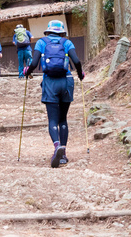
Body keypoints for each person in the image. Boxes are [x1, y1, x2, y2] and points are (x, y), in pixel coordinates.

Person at [23, 19, 84, 168]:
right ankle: (63, 154)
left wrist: (27, 72)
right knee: (63, 119)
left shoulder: (41, 42)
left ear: (48, 30)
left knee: (52, 120)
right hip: (66, 81)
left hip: (50, 82)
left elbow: (34, 62)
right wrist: (80, 74)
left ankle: (56, 146)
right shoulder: (67, 43)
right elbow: (76, 60)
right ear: (62, 31)